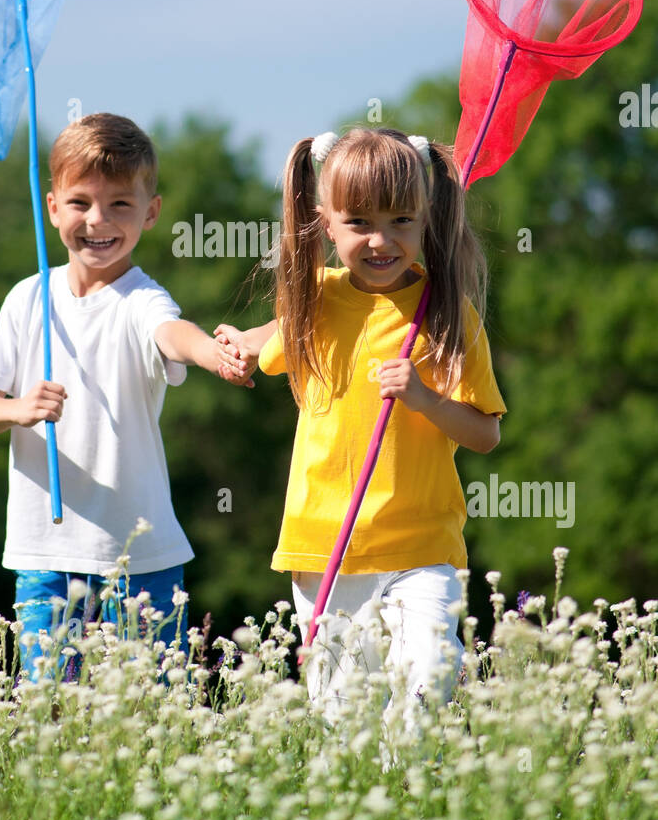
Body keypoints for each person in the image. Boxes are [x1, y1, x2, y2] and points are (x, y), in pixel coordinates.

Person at [214, 126, 506, 752]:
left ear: (427, 218)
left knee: (426, 685)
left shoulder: (448, 312)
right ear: (325, 223)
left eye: (402, 220)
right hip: (326, 550)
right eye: (360, 222)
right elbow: (262, 342)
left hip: (421, 547)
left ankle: (414, 807)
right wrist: (233, 348)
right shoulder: (313, 298)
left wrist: (425, 399)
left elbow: (485, 433)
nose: (382, 240)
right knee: (343, 723)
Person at [0, 113, 251, 681]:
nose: (98, 220)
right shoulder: (26, 299)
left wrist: (214, 354)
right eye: (80, 203)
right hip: (44, 552)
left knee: (154, 709)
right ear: (51, 207)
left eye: (120, 204)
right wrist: (18, 408)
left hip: (137, 554)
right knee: (48, 705)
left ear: (150, 212)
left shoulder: (142, 298)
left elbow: (173, 333)